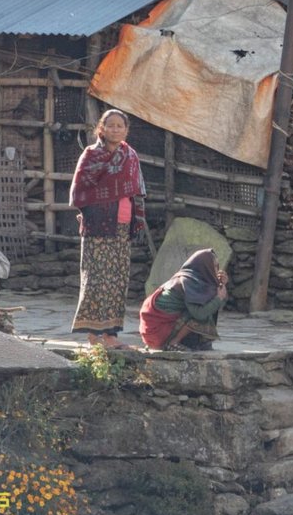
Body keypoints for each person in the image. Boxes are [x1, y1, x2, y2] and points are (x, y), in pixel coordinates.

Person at [69, 109, 146, 348]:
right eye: (110, 125)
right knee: (96, 279)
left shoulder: (130, 154)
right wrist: (92, 212)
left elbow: (137, 188)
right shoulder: (92, 154)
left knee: (117, 280)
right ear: (101, 129)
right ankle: (93, 336)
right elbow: (80, 190)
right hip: (97, 226)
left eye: (119, 126)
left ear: (126, 130)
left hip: (122, 225)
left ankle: (111, 336)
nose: (115, 129)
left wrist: (136, 219)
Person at [138, 248, 226, 351]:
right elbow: (199, 314)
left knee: (205, 309)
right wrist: (218, 298)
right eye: (214, 266)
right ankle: (173, 342)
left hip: (154, 333)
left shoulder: (191, 279)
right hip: (157, 331)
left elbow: (215, 299)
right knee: (202, 314)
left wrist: (221, 284)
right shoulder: (189, 282)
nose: (217, 270)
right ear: (205, 267)